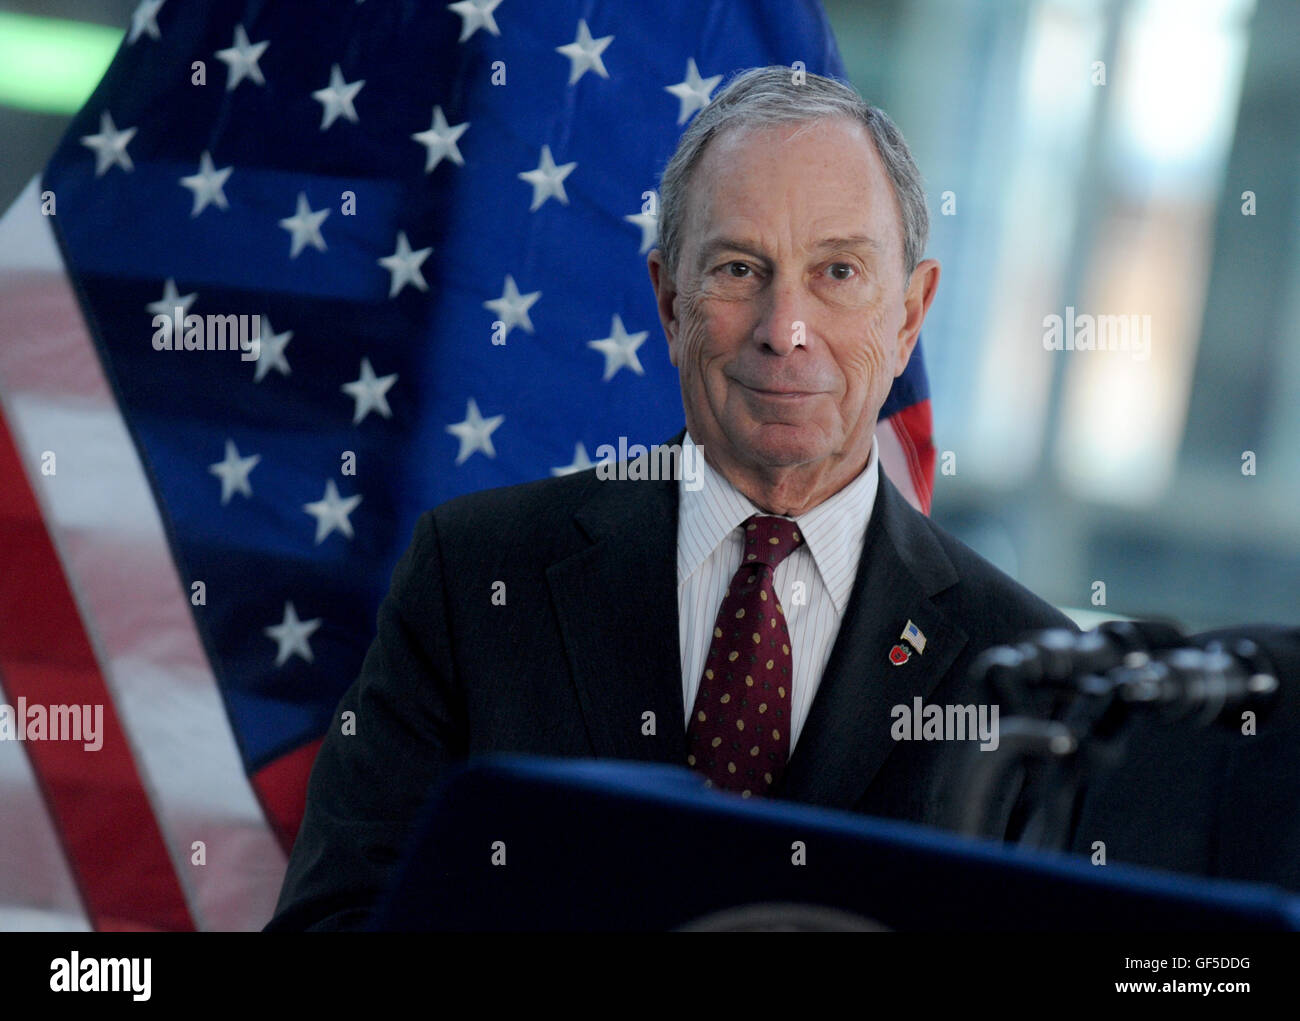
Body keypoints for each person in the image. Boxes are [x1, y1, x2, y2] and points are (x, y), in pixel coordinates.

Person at [266, 66, 1074, 931]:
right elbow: (335, 924)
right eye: (738, 268)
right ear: (667, 297)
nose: (784, 328)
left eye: (838, 270)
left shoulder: (1033, 674)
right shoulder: (471, 580)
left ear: (911, 313)